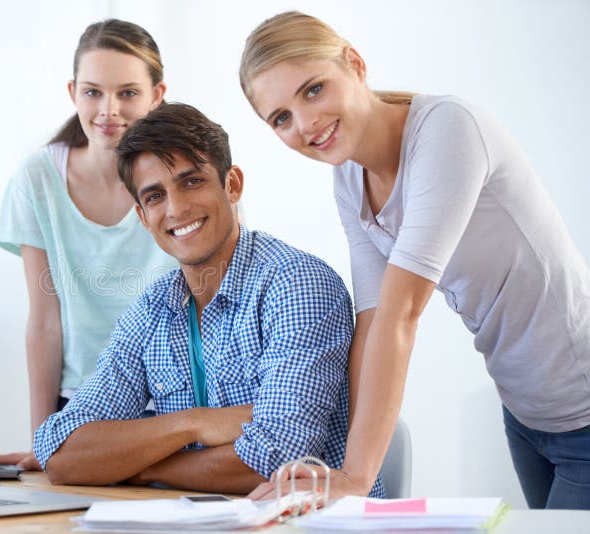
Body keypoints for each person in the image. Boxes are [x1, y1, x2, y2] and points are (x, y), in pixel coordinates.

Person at [239, 11, 590, 509]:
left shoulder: (447, 129)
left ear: (354, 64)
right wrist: (348, 470)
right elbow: (374, 318)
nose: (305, 124)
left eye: (313, 89)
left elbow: (403, 311)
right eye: (281, 118)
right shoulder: (347, 178)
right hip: (524, 413)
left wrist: (357, 476)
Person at [32, 103, 385, 496]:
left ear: (232, 184)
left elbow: (276, 459)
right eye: (155, 197)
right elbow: (60, 452)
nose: (176, 208)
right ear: (143, 217)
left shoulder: (297, 286)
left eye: (192, 182)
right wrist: (194, 423)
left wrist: (137, 468)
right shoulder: (151, 311)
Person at [0, 19, 176, 470]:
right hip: (81, 411)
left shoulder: (182, 178)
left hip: (173, 405)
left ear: (156, 95)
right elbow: (45, 322)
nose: (109, 110)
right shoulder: (37, 180)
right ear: (72, 92)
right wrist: (43, 443)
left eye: (128, 92)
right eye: (93, 92)